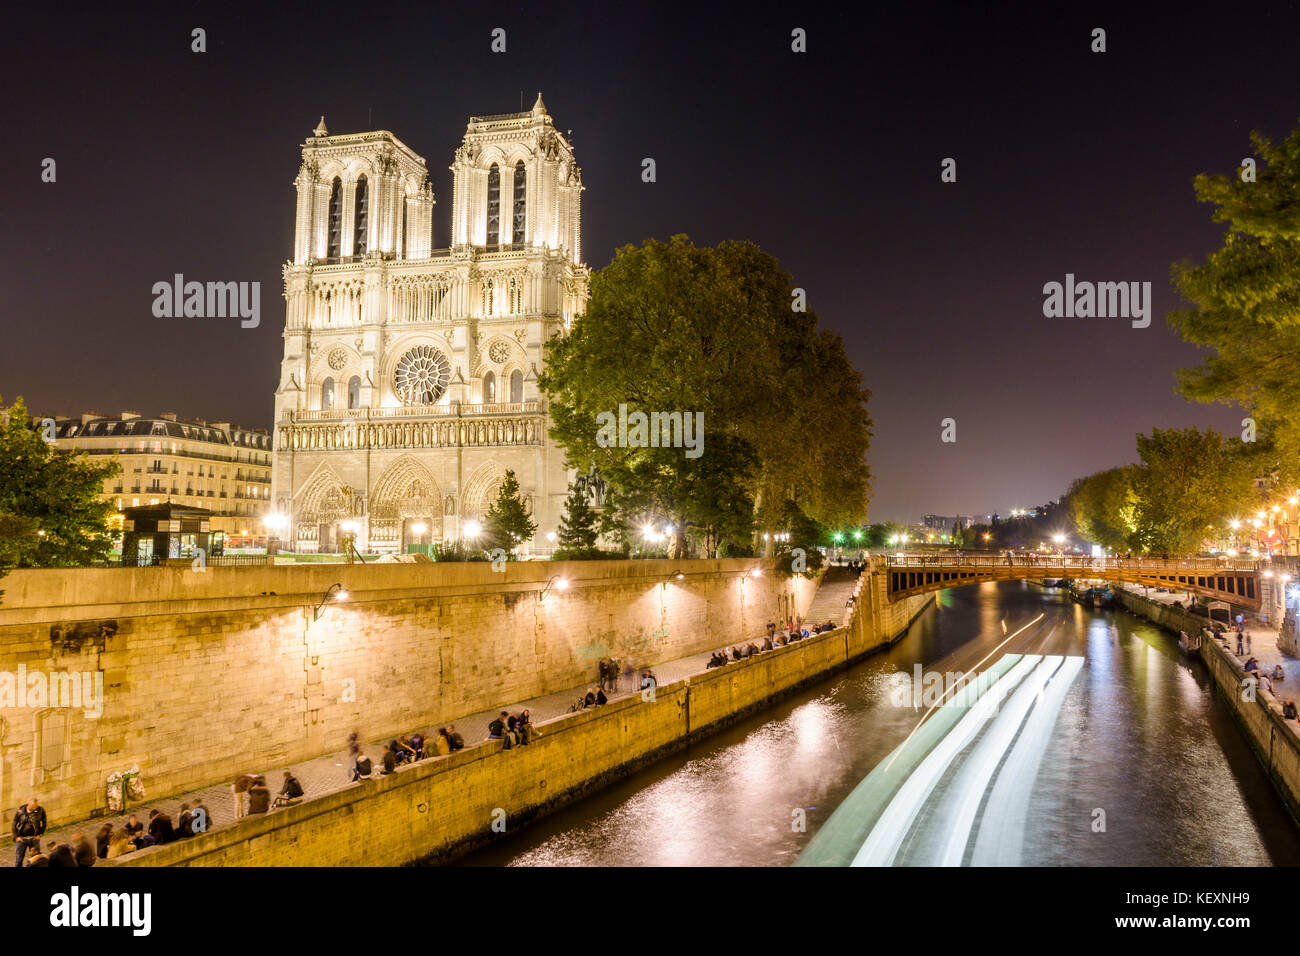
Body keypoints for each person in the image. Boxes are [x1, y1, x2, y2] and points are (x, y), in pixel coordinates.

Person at [11, 797, 47, 867]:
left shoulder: (40, 810)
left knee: (36, 858)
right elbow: (14, 823)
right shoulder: (20, 811)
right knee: (19, 859)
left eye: (35, 807)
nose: (34, 808)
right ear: (28, 804)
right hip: (22, 839)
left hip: (34, 838)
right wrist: (16, 837)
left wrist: (40, 834)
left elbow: (44, 823)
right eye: (33, 807)